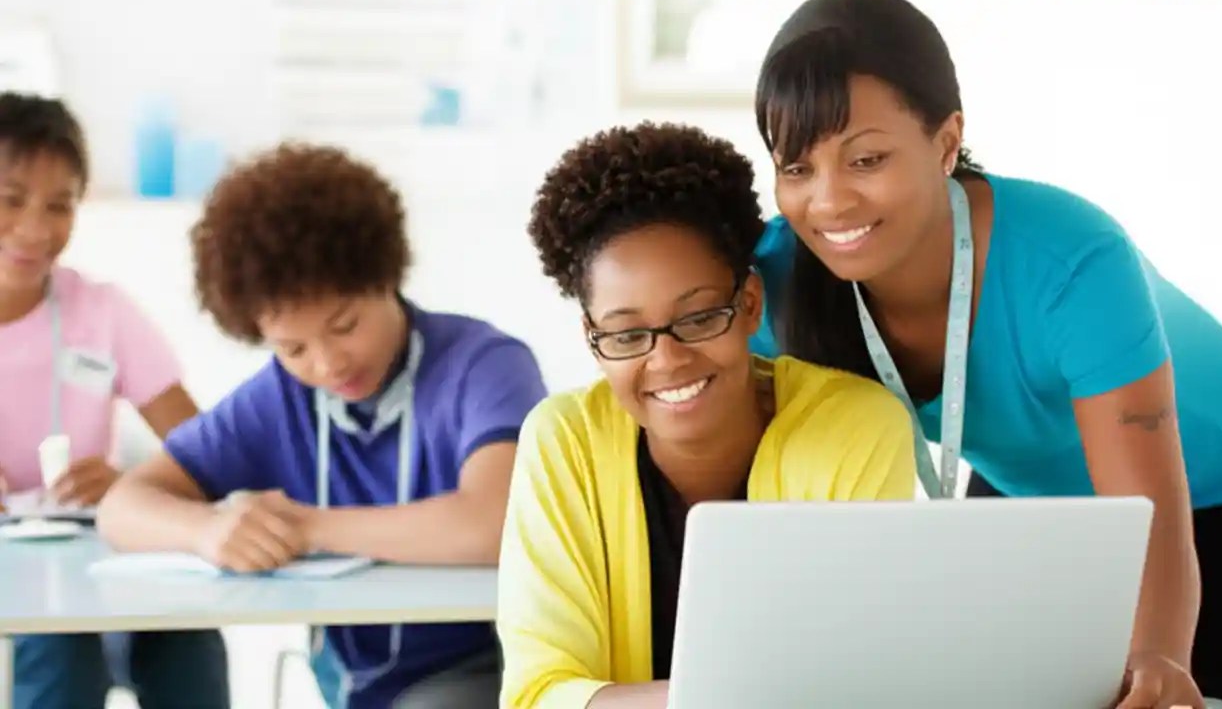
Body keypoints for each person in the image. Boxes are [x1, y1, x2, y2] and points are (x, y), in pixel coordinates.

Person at [749, 0, 1222, 707]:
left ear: (944, 142)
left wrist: (1155, 656)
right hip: (1032, 485)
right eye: (796, 168)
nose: (830, 201)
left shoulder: (1073, 262)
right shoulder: (778, 279)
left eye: (866, 158)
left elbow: (1150, 509)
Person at [96, 143, 549, 708]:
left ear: (386, 276)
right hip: (348, 684)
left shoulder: (484, 365)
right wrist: (207, 530)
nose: (328, 363)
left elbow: (494, 523)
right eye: (293, 348)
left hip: (485, 672)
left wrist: (308, 528)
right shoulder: (279, 399)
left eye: (345, 325)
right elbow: (123, 507)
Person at [496, 121, 915, 708]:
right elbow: (538, 694)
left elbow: (857, 683)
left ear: (748, 304)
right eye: (626, 334)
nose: (666, 359)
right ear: (593, 338)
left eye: (697, 319)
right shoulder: (563, 440)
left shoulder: (855, 427)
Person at [0, 92, 230, 708]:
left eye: (60, 205)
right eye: (11, 200)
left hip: (82, 567)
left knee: (185, 636)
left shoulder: (101, 313)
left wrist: (128, 486)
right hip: (29, 596)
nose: (34, 230)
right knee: (55, 645)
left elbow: (205, 451)